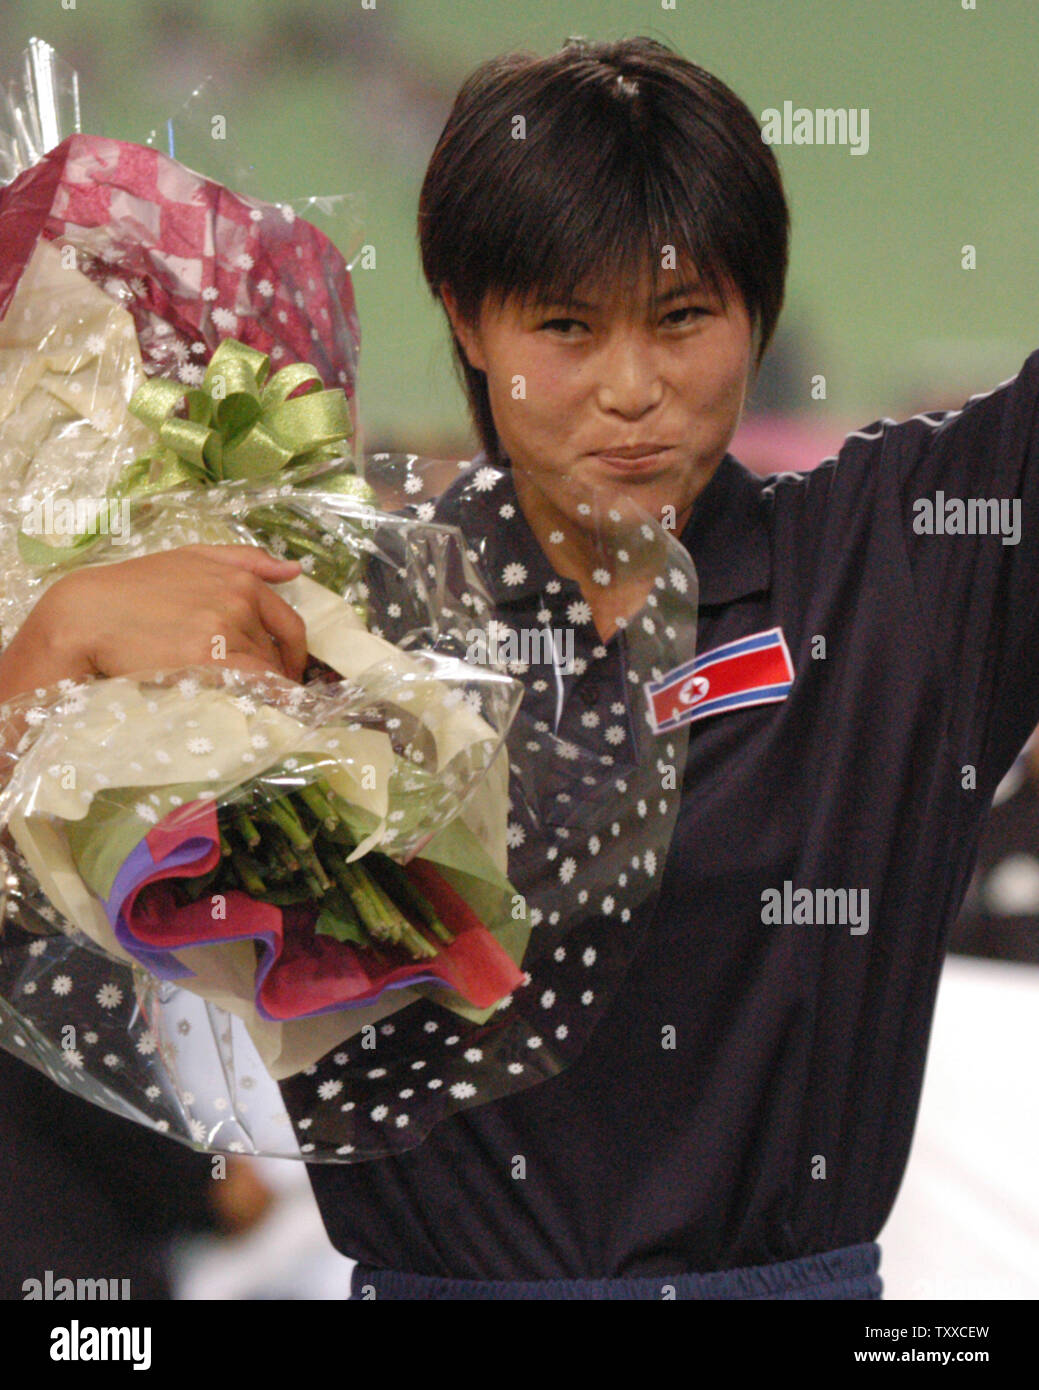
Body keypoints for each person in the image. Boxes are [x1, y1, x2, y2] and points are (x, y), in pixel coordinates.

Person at [1, 34, 1036, 1299]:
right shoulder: (315, 609)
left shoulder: (907, 569)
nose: (631, 388)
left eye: (683, 318)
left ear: (756, 313)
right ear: (464, 317)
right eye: (564, 324)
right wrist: (40, 656)